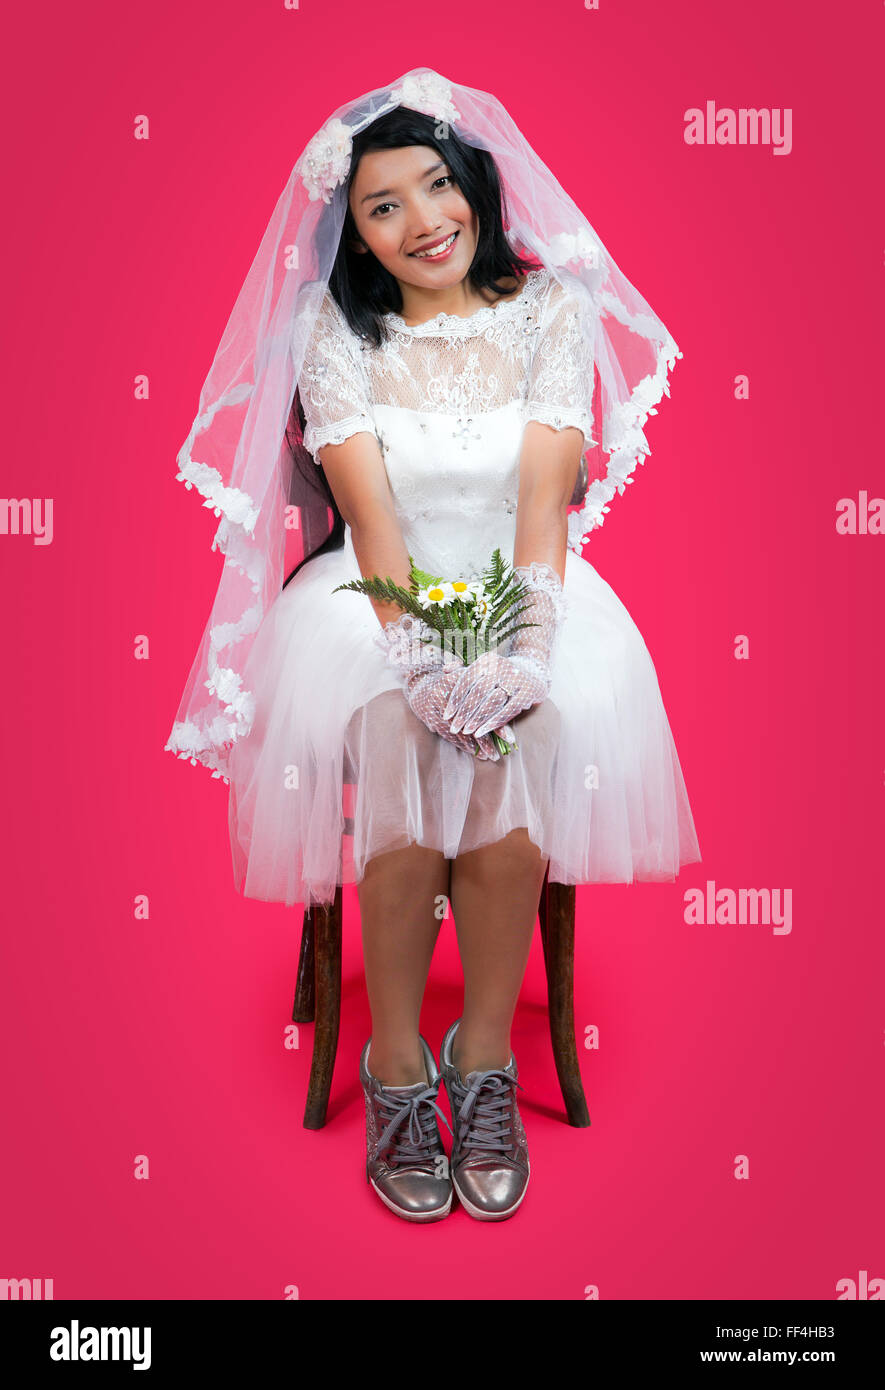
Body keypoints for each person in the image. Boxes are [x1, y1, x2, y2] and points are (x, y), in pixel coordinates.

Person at [166, 69, 702, 1224]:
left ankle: (486, 1060)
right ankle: (399, 1066)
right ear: (351, 231)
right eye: (383, 206)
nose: (423, 221)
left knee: (513, 738)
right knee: (409, 734)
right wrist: (417, 653)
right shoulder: (332, 331)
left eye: (435, 187)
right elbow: (371, 520)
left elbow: (544, 505)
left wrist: (519, 648)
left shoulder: (550, 312)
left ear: (476, 187)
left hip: (525, 586)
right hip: (376, 598)